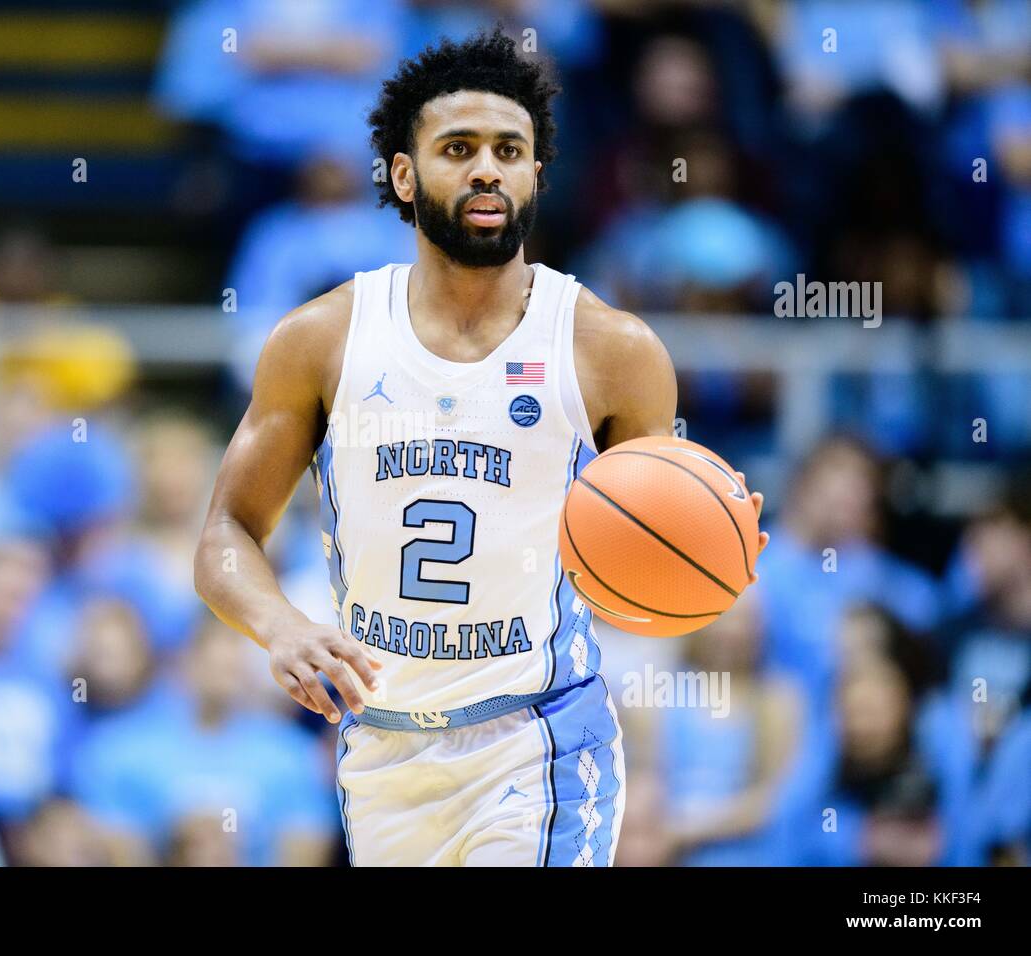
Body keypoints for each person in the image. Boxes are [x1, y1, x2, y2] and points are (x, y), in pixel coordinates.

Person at [194, 28, 766, 866]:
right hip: (383, 751)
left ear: (538, 171)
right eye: (457, 148)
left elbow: (657, 553)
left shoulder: (612, 349)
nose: (487, 169)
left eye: (510, 149)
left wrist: (708, 545)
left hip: (538, 741)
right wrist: (281, 626)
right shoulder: (321, 339)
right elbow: (225, 535)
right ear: (401, 173)